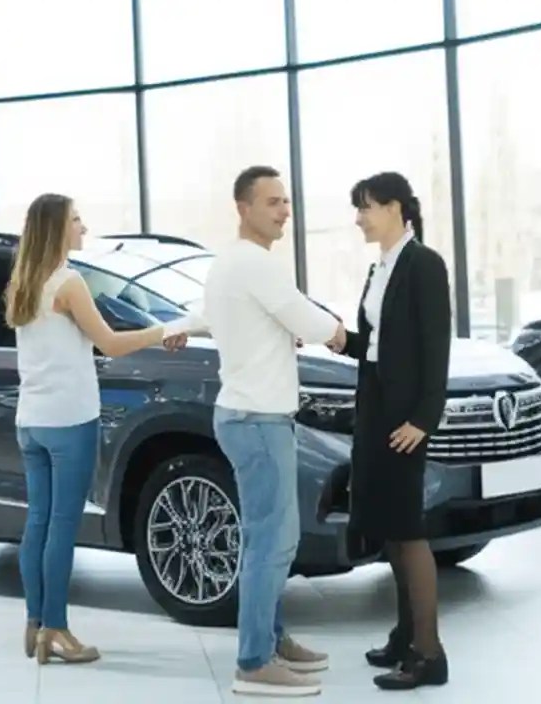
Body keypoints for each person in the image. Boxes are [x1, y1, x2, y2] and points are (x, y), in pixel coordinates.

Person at [162, 165, 343, 697]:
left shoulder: (230, 264)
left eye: (285, 201)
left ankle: (271, 638)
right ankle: (254, 662)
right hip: (259, 419)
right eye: (272, 202)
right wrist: (340, 335)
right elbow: (302, 317)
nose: (284, 210)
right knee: (273, 540)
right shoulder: (254, 265)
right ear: (243, 209)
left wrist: (183, 327)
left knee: (266, 538)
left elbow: (219, 315)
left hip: (250, 415)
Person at [5, 193, 171, 663]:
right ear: (57, 228)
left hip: (31, 421)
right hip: (68, 419)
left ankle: (35, 622)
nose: (83, 227)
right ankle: (56, 630)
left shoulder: (23, 281)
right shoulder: (68, 282)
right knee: (61, 525)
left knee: (37, 521)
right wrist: (165, 330)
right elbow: (112, 344)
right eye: (76, 220)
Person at [325, 172, 451, 691]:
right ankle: (405, 636)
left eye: (366, 208)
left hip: (404, 417)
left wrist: (423, 419)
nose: (359, 218)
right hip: (376, 405)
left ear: (396, 208)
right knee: (386, 524)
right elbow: (380, 346)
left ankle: (429, 653)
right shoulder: (382, 266)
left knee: (407, 528)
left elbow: (434, 348)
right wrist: (342, 340)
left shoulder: (423, 265)